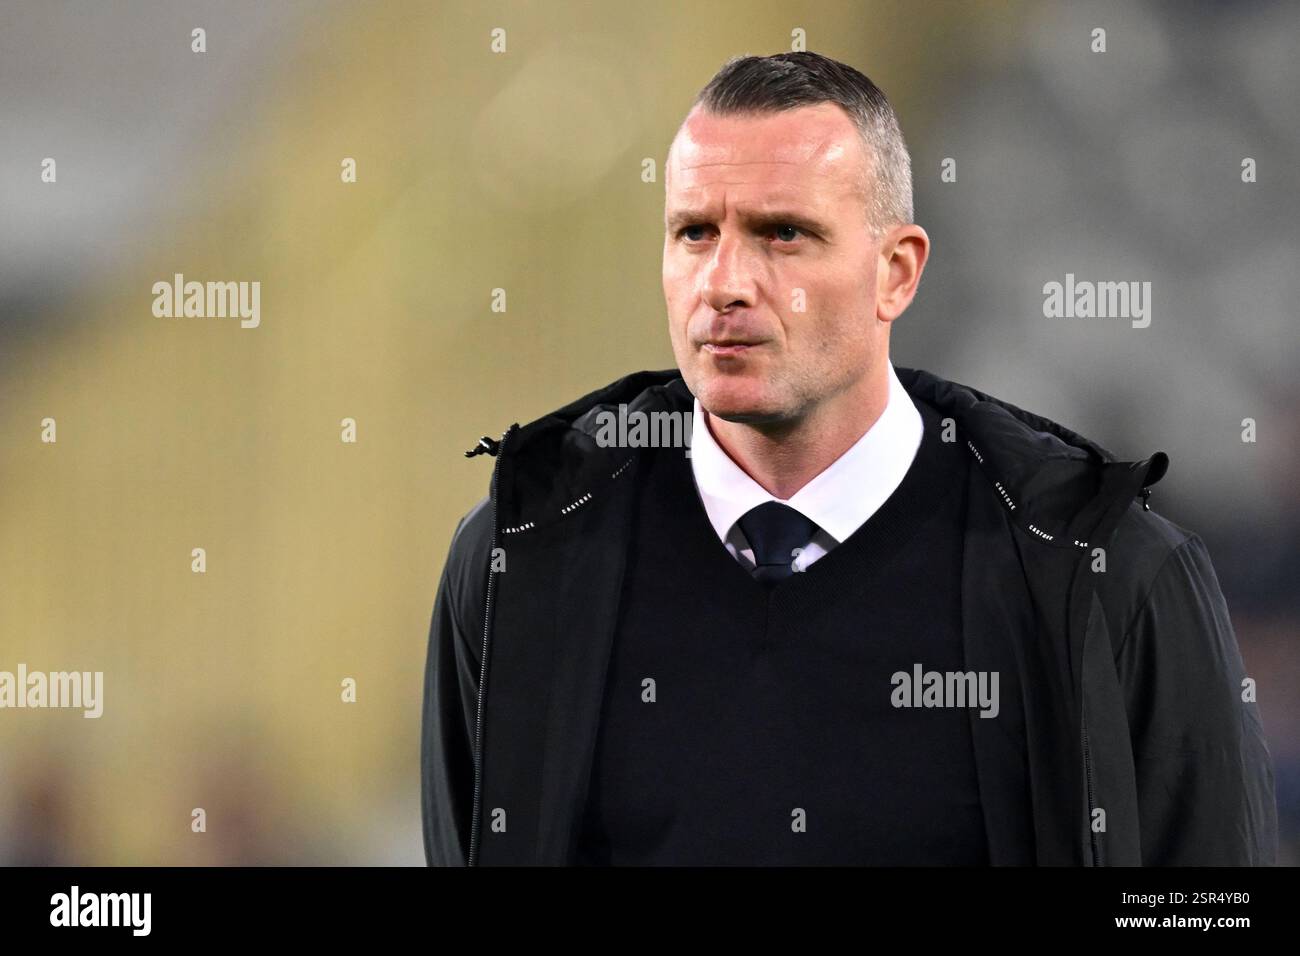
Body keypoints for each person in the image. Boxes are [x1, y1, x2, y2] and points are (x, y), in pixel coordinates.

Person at [421, 51, 1277, 866]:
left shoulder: (1107, 573)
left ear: (896, 274)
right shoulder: (516, 559)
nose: (724, 282)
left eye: (782, 233)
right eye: (692, 232)